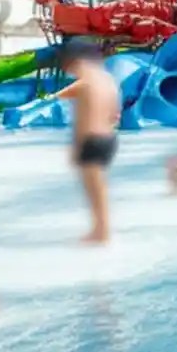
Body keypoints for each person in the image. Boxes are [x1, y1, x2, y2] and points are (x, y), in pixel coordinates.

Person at [58, 42, 121, 245]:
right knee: (99, 185)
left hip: (92, 138)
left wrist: (76, 147)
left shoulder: (84, 84)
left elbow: (83, 120)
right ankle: (101, 228)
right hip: (109, 138)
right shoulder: (107, 79)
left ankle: (101, 230)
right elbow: (115, 114)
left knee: (94, 188)